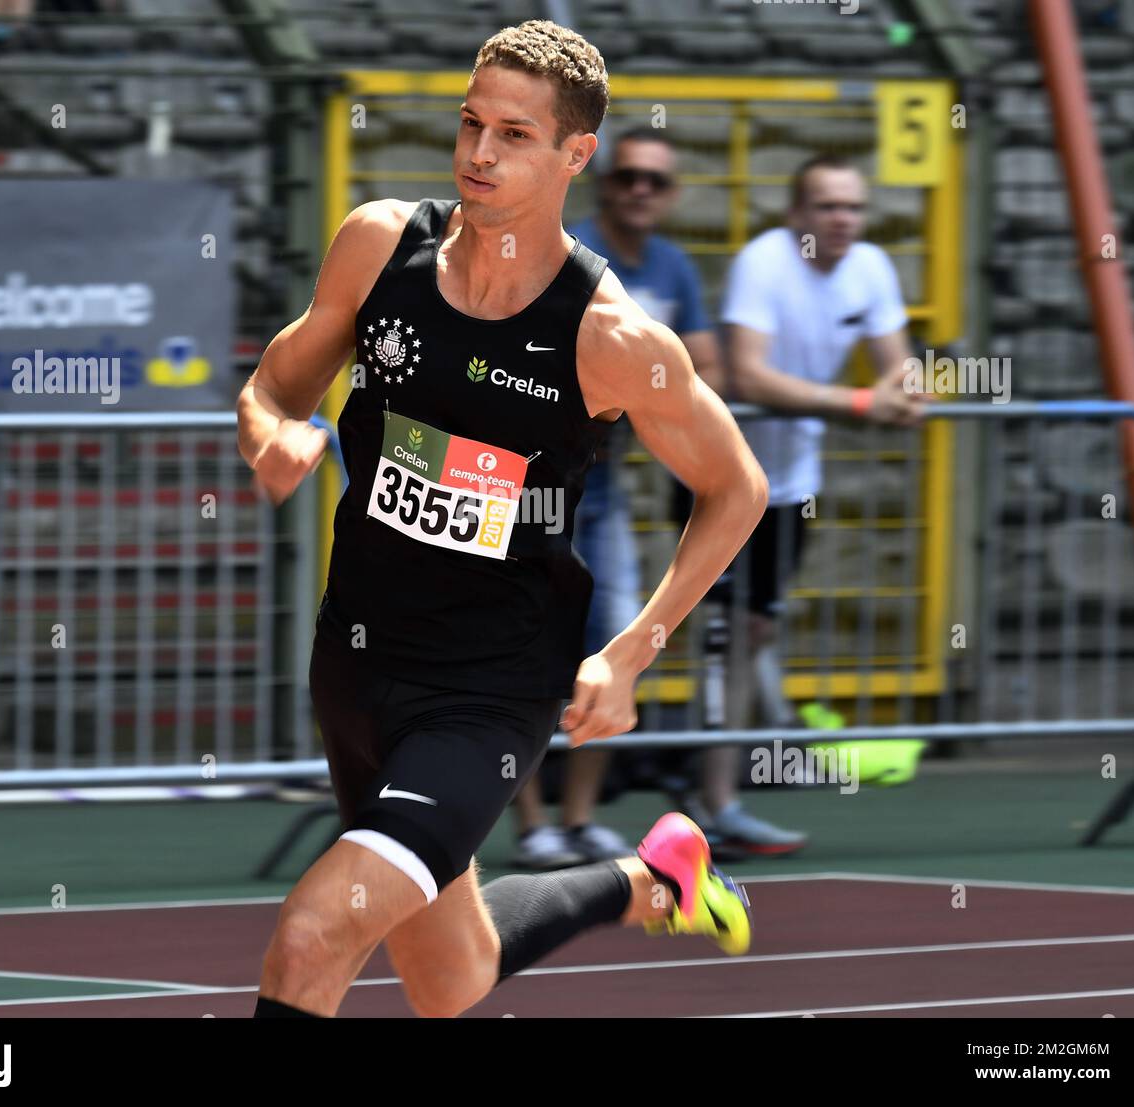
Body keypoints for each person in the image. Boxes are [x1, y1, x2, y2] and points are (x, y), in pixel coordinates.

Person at [238, 20, 767, 1019]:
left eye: (514, 136)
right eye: (471, 124)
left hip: (486, 689)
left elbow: (735, 487)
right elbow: (274, 385)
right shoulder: (379, 247)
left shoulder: (612, 340)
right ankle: (649, 881)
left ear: (577, 154)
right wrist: (270, 434)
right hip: (354, 664)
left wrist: (630, 654)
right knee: (451, 980)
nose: (478, 155)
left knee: (314, 934)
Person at [686, 153, 926, 857]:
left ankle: (710, 785)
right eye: (827, 206)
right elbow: (751, 373)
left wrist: (907, 389)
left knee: (752, 631)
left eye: (853, 207)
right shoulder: (764, 263)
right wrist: (860, 402)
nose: (842, 219)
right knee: (723, 637)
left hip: (792, 487)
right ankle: (709, 797)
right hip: (720, 473)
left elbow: (897, 365)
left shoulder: (871, 267)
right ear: (797, 215)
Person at [512, 126, 728, 870]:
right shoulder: (568, 253)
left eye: (655, 181)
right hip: (523, 492)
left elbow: (708, 369)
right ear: (605, 180)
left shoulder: (673, 266)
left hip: (600, 497)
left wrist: (643, 383)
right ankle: (531, 822)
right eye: (629, 176)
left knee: (614, 650)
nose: (641, 189)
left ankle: (579, 820)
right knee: (523, 656)